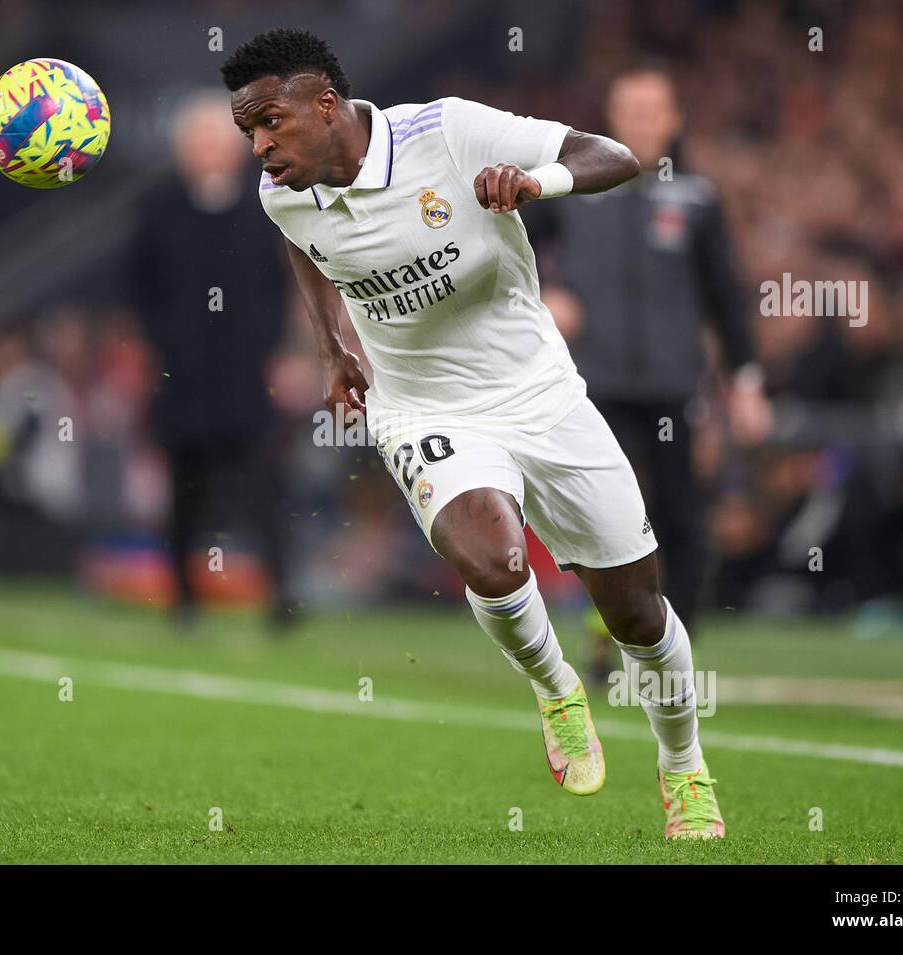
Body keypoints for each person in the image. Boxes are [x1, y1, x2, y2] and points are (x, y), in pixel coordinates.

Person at [222, 29, 723, 839]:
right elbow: (305, 245)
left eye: (270, 122)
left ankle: (684, 765)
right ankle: (556, 686)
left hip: (541, 394)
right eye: (250, 131)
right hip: (422, 408)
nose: (260, 146)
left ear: (326, 105)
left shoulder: (448, 131)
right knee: (491, 556)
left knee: (638, 613)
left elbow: (617, 156)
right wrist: (331, 344)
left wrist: (535, 181)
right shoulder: (285, 192)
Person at [530, 65, 768, 653]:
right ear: (611, 118)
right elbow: (508, 242)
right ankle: (606, 632)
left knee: (681, 515)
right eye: (629, 109)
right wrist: (542, 291)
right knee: (600, 514)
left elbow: (725, 297)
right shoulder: (573, 187)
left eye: (652, 109)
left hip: (672, 385)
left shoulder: (696, 198)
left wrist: (746, 380)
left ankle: (675, 643)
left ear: (674, 119)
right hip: (591, 383)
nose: (640, 121)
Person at [131, 90, 294, 627]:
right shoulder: (158, 207)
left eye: (215, 141)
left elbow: (283, 286)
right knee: (184, 490)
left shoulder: (267, 204)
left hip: (247, 376)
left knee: (263, 486)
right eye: (196, 141)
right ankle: (183, 597)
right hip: (182, 377)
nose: (206, 151)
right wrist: (163, 344)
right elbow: (138, 287)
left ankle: (282, 596)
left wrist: (281, 349)